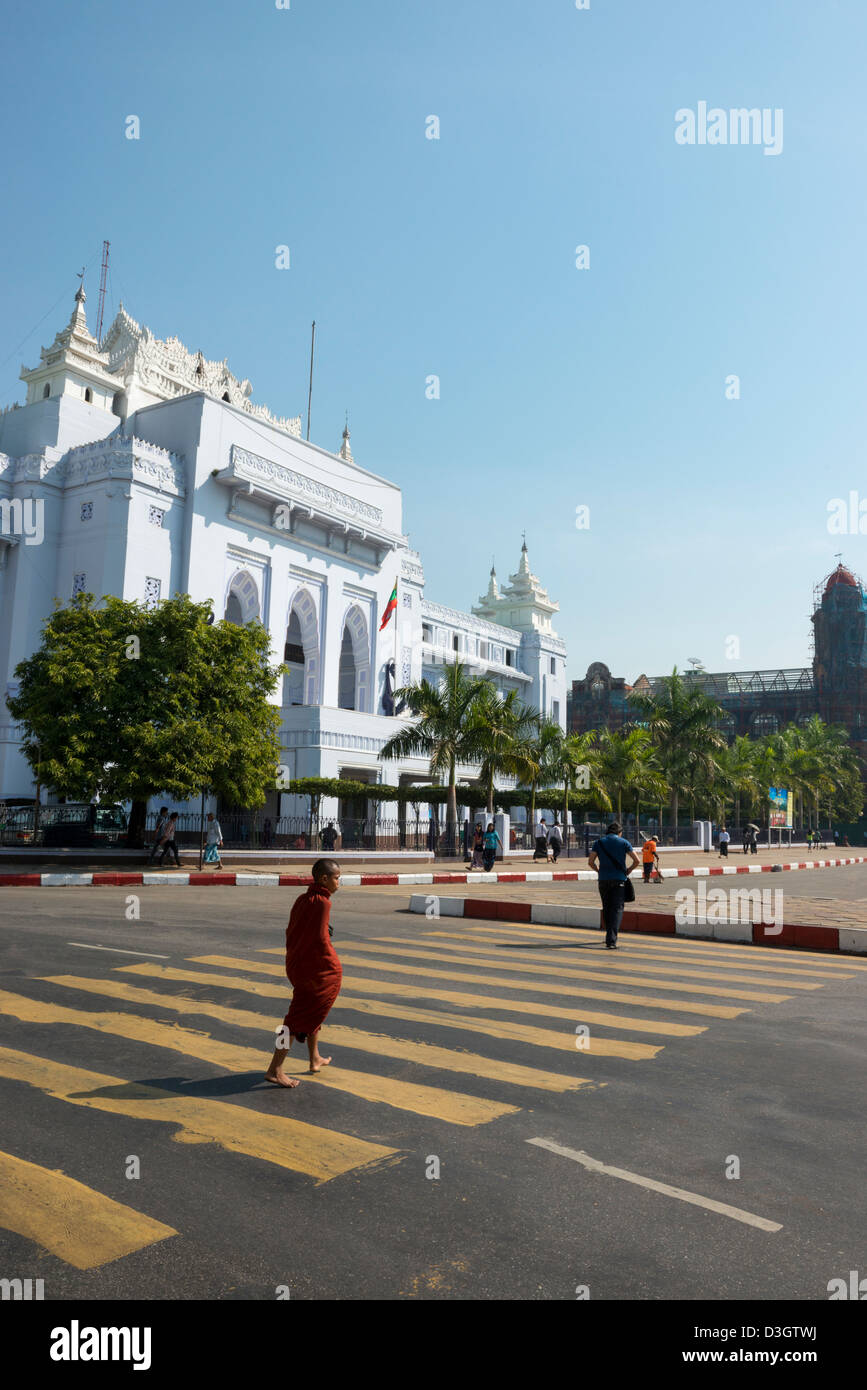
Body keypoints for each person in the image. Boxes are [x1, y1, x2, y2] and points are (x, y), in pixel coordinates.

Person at [265, 858, 343, 1086]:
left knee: (313, 1013)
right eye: (337, 878)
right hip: (315, 971)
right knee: (292, 1023)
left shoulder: (303, 899)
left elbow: (294, 930)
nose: (339, 883)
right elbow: (320, 940)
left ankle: (314, 1058)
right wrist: (331, 964)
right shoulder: (322, 904)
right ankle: (274, 1069)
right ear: (324, 879)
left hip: (299, 966)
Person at [588, 821, 640, 949]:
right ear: (619, 832)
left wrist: (599, 871)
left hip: (603, 880)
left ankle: (608, 934)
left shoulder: (598, 843)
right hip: (619, 880)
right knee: (617, 909)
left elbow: (590, 862)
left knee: (606, 907)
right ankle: (611, 941)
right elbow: (637, 860)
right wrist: (629, 870)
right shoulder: (624, 842)